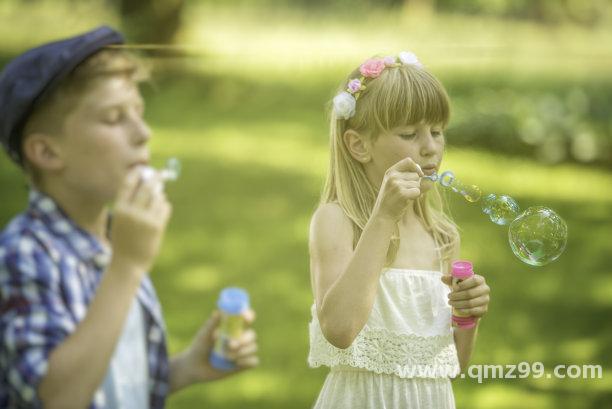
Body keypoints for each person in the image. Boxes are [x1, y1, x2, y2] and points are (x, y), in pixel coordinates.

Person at [0, 26, 259, 409]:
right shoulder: (23, 255)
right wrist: (127, 266)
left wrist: (186, 368)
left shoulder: (114, 238)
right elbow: (57, 397)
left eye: (138, 112)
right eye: (114, 117)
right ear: (47, 152)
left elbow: (106, 381)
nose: (143, 133)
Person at [308, 51, 491, 408]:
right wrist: (383, 218)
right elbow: (340, 331)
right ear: (359, 145)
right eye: (409, 133)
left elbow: (451, 366)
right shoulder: (336, 220)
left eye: (437, 132)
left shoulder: (441, 236)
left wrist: (468, 317)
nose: (430, 148)